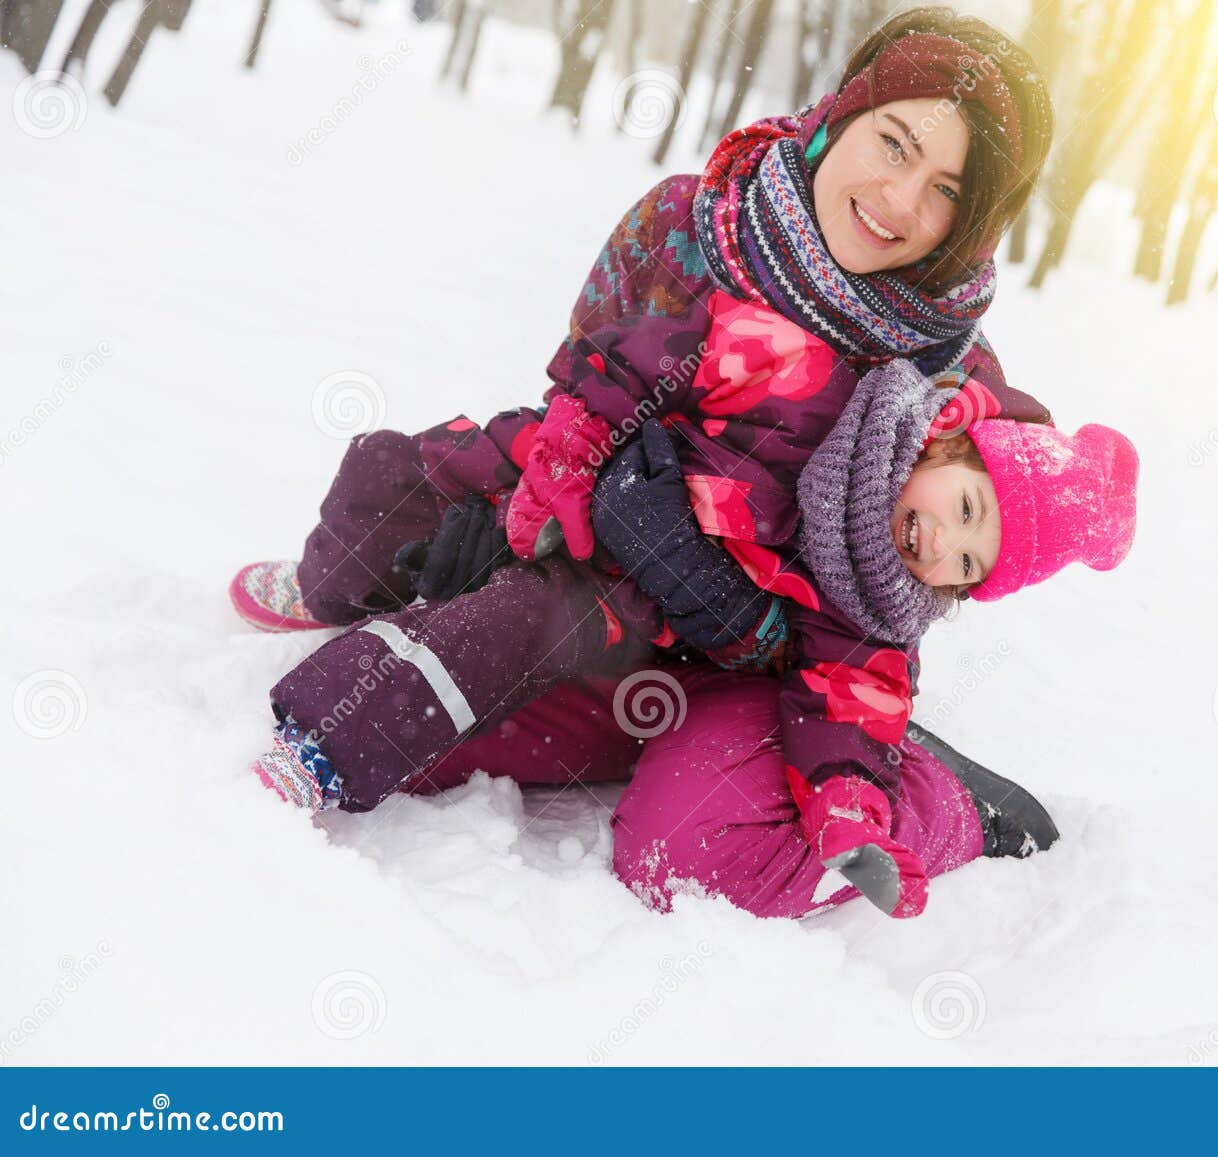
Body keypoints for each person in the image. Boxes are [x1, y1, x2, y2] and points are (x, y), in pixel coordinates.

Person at [231, 8, 1093, 919]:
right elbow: (585, 384)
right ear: (846, 112)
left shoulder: (945, 369)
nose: (900, 198)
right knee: (435, 704)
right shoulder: (685, 225)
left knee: (684, 859)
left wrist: (738, 614)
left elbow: (982, 527)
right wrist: (513, 522)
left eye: (948, 191)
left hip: (771, 668)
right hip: (615, 605)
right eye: (893, 141)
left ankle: (915, 796)